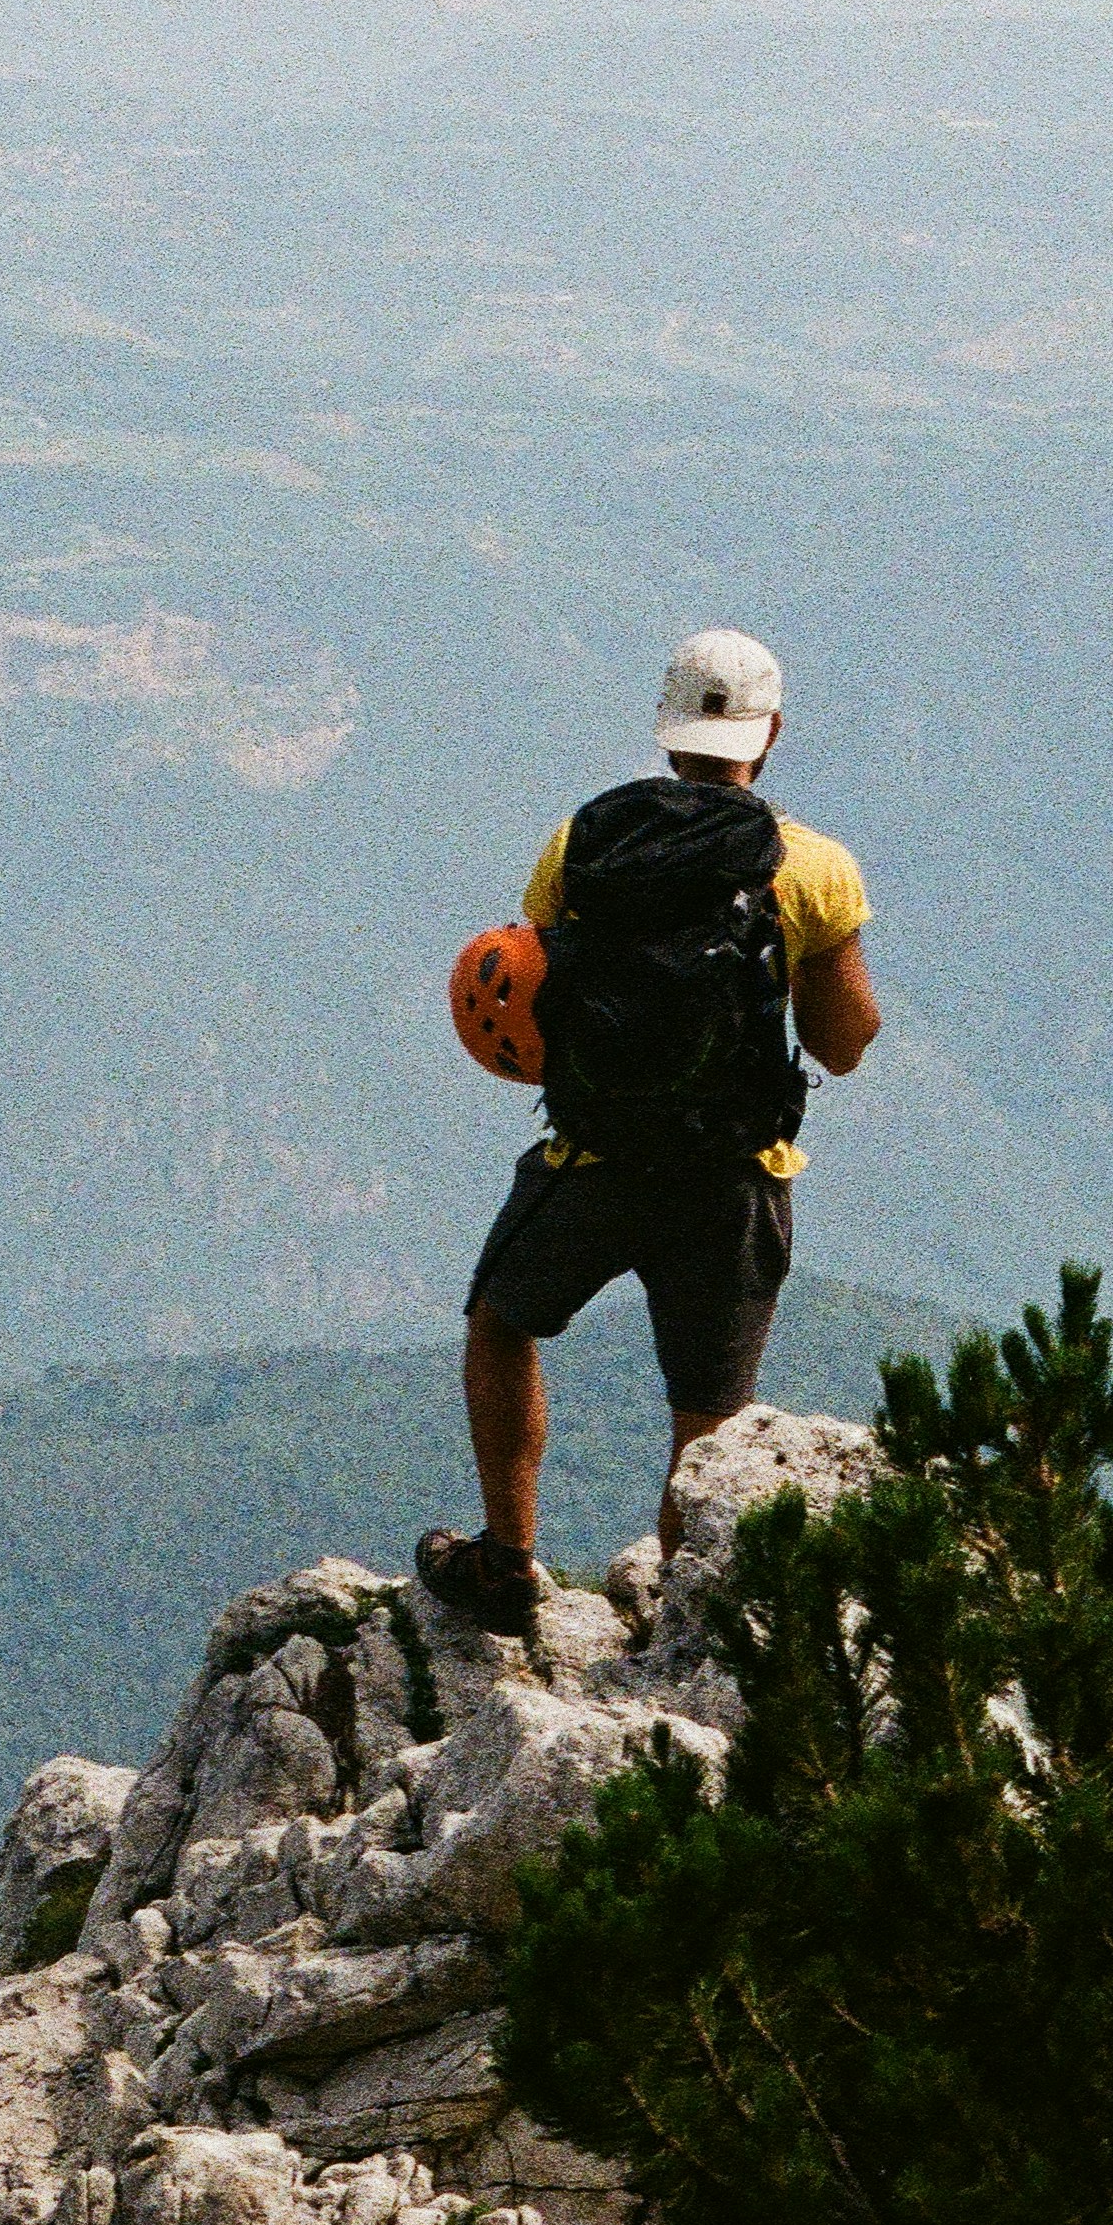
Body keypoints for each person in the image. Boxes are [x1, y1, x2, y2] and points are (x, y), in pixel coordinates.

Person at [421, 626, 881, 1639]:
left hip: (592, 1159)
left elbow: (534, 990)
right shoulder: (812, 871)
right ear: (774, 734)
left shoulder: (582, 843)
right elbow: (842, 1044)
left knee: (503, 1323)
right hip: (736, 1175)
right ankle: (681, 1619)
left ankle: (505, 1560)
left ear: (667, 730)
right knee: (708, 1415)